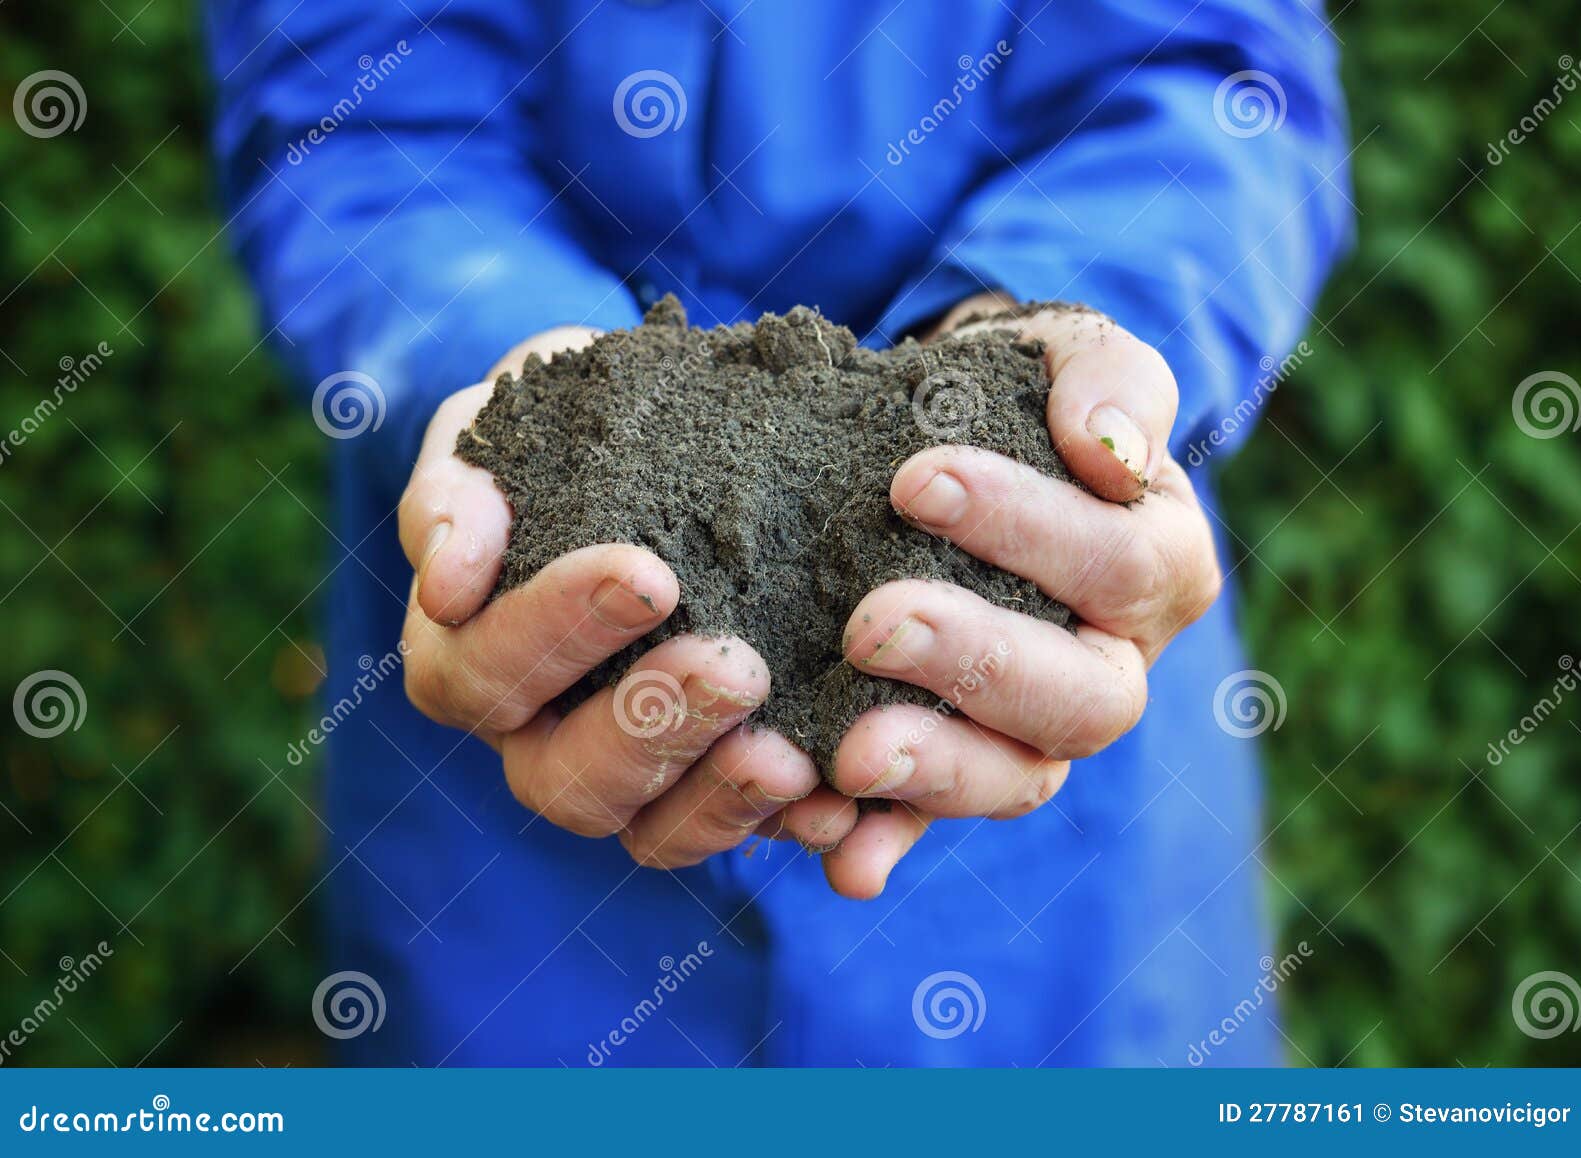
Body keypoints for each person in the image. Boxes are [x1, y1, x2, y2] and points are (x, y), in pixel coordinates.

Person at [208, 0, 1350, 1066]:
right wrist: (520, 371)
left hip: (1052, 846)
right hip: (518, 828)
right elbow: (364, 119)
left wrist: (1050, 346)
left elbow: (1211, 87)